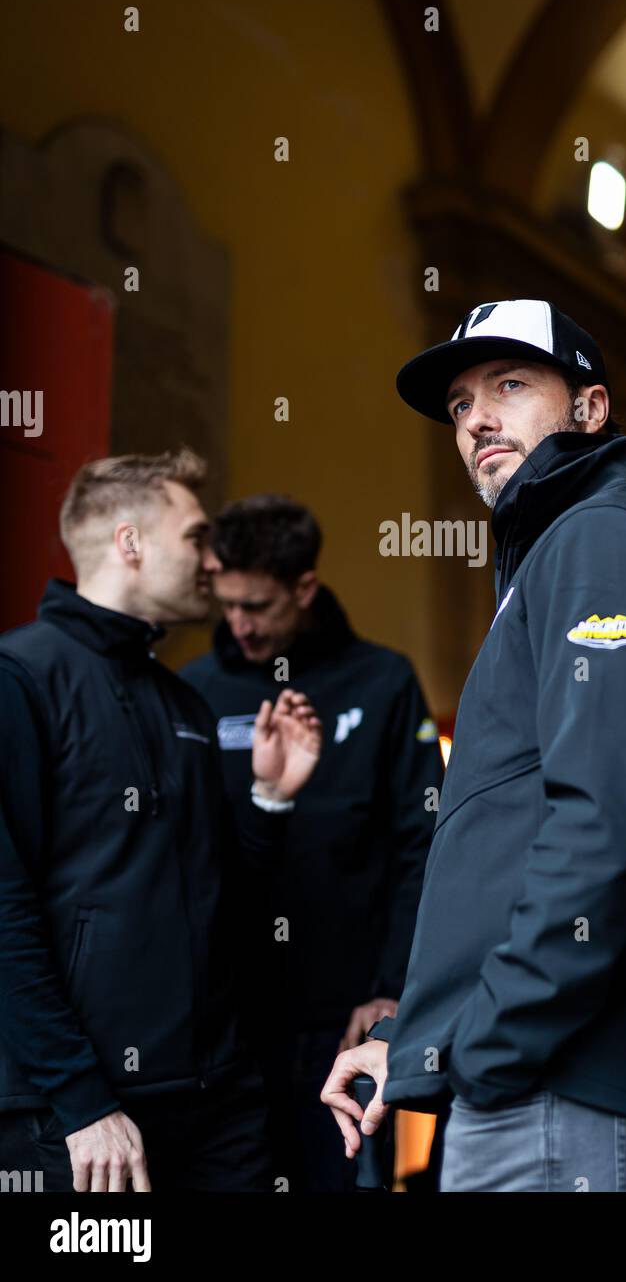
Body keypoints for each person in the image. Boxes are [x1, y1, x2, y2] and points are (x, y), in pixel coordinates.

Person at [322, 298, 626, 1192]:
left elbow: (611, 825)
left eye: (510, 385)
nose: (476, 416)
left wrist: (490, 1042)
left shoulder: (602, 542)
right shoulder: (564, 549)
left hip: (570, 1091)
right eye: (460, 405)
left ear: (590, 411)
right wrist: (411, 1040)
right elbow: (509, 846)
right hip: (551, 1082)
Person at [0, 451, 322, 1192]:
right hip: (77, 1123)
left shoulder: (185, 705)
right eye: (196, 537)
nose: (213, 559)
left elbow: (226, 901)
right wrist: (82, 1103)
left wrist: (270, 797)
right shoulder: (19, 680)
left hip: (220, 1108)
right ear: (130, 543)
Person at [180, 494, 442, 1191]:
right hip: (226, 1032)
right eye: (228, 605)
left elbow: (423, 846)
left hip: (345, 1024)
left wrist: (393, 990)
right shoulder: (191, 693)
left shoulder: (383, 682)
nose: (240, 626)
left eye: (257, 606)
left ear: (304, 586)